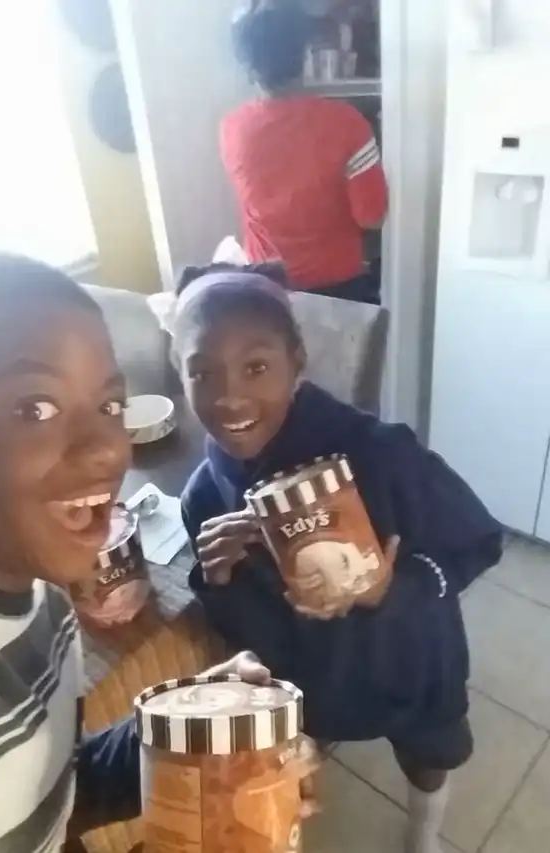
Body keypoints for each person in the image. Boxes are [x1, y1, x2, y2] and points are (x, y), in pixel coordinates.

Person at [0, 252, 318, 852]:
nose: (107, 448)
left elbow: (52, 789)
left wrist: (180, 732)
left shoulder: (43, 594)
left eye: (109, 405)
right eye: (35, 408)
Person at [176, 262, 503, 853]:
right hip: (315, 678)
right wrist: (218, 580)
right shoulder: (204, 496)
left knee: (426, 756)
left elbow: (476, 540)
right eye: (202, 372)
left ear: (297, 361)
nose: (229, 397)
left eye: (256, 367)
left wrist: (393, 589)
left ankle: (424, 833)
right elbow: (242, 631)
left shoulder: (381, 454)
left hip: (408, 660)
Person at [220, 4, 389, 305]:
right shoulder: (348, 124)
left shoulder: (231, 127)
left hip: (268, 287)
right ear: (306, 55)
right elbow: (372, 218)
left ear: (247, 67)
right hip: (339, 286)